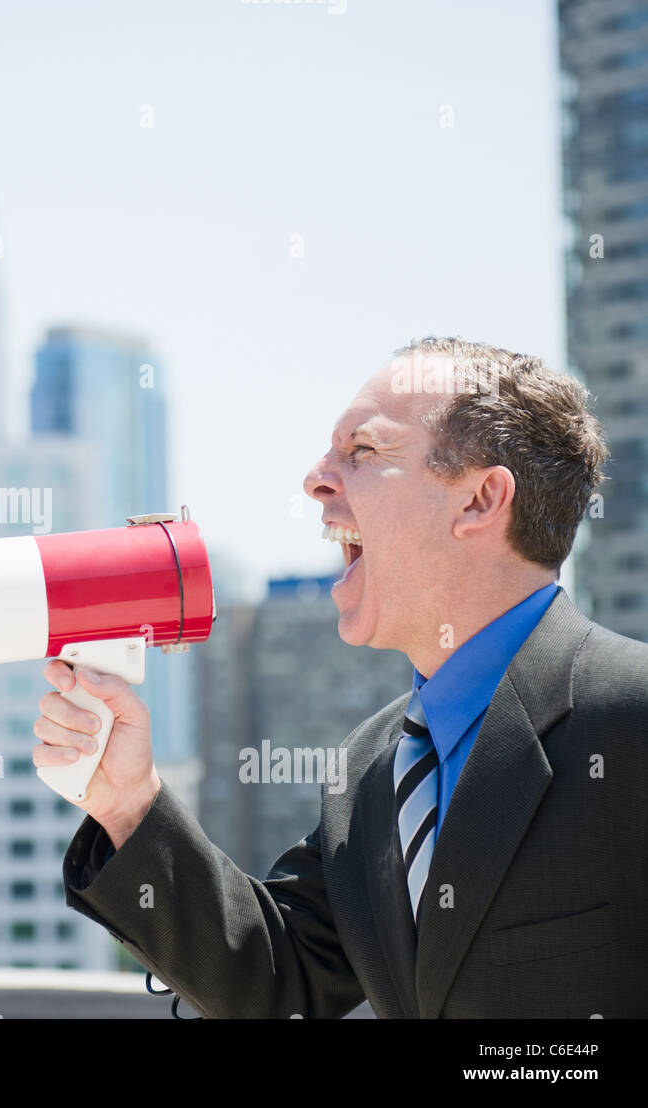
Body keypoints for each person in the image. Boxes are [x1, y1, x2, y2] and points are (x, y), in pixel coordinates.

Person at [34, 336, 648, 1018]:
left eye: (363, 451)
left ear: (479, 500)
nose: (316, 479)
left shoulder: (630, 718)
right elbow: (273, 979)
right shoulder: (371, 767)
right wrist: (129, 804)